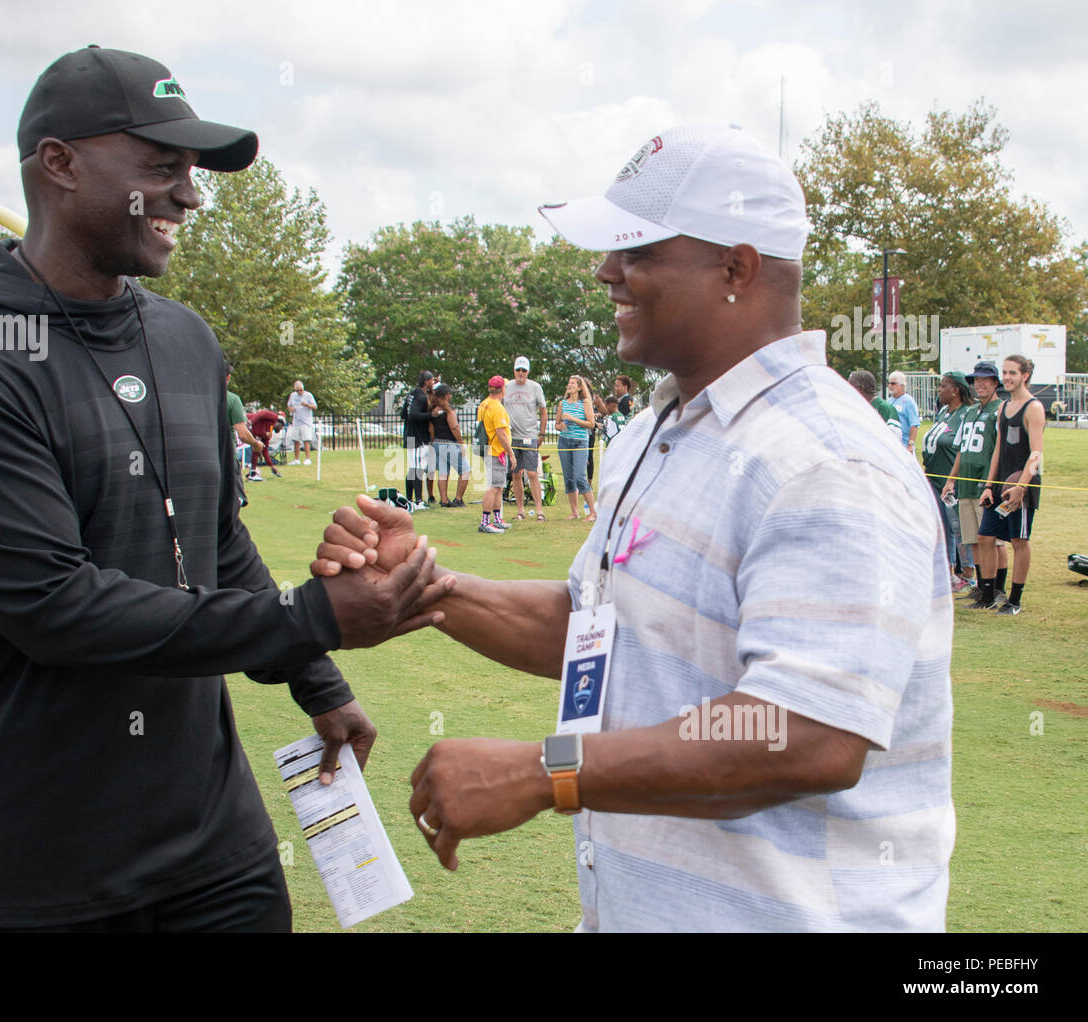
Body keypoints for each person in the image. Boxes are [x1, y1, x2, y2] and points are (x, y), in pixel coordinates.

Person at [313, 123, 952, 931]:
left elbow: (807, 732)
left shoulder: (824, 461)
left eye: (639, 250)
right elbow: (600, 628)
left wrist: (547, 772)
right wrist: (425, 587)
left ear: (737, 266)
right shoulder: (659, 430)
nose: (606, 271)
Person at [0, 45, 448, 934]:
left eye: (192, 168)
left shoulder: (184, 338)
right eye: (161, 164)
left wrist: (316, 680)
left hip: (208, 850)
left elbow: (214, 540)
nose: (190, 191)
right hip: (11, 863)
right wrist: (314, 617)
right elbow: (52, 608)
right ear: (59, 164)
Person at [976, 354, 1044, 616]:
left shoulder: (1034, 407)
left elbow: (1036, 454)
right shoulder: (1003, 408)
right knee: (985, 537)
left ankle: (1014, 601)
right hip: (999, 483)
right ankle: (988, 595)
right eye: (1004, 373)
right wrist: (988, 485)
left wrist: (1021, 487)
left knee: (1019, 540)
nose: (1006, 378)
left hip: (1020, 485)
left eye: (1012, 373)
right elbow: (997, 450)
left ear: (1025, 375)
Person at [942, 361, 1009, 609]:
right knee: (973, 539)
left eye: (985, 379)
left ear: (995, 383)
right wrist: (951, 479)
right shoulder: (970, 412)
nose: (979, 383)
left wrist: (992, 482)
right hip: (967, 483)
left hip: (987, 483)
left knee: (994, 540)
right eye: (976, 380)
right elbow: (961, 449)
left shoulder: (1000, 410)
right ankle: (983, 587)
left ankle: (997, 588)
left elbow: (1000, 449)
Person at [920, 371, 974, 592]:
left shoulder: (965, 414)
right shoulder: (943, 412)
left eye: (943, 386)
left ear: (956, 390)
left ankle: (966, 573)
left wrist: (951, 478)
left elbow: (962, 447)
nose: (939, 390)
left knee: (955, 527)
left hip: (951, 480)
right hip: (933, 477)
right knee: (940, 526)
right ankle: (947, 570)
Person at [504, 356, 548, 522]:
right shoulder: (507, 387)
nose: (521, 373)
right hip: (512, 437)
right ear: (514, 370)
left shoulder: (535, 387)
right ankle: (520, 510)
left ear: (528, 371)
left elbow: (543, 410)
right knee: (516, 474)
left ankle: (539, 511)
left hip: (529, 435)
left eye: (524, 370)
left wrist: (541, 433)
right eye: (518, 370)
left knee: (532, 473)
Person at [476, 375, 516, 533]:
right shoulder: (497, 407)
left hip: (489, 449)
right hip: (496, 451)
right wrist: (511, 453)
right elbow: (501, 433)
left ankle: (497, 519)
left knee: (499, 486)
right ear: (502, 389)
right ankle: (485, 521)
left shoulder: (484, 404)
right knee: (493, 487)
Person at [555, 375, 595, 521]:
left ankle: (592, 512)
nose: (570, 385)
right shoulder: (563, 404)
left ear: (579, 387)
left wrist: (573, 419)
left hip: (580, 442)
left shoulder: (585, 402)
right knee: (569, 478)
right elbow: (556, 424)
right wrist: (561, 426)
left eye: (573, 383)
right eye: (569, 382)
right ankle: (574, 512)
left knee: (580, 476)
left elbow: (591, 424)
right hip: (564, 442)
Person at [402, 370, 439, 509]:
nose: (433, 383)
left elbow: (403, 414)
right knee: (417, 467)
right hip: (418, 437)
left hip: (410, 434)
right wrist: (431, 415)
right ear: (426, 381)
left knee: (413, 467)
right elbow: (413, 415)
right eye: (431, 380)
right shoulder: (421, 397)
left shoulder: (411, 394)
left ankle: (409, 499)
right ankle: (418, 501)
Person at [429, 383, 469, 507]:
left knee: (443, 472)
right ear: (447, 395)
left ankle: (444, 500)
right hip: (449, 443)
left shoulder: (433, 411)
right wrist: (461, 443)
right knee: (466, 471)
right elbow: (454, 427)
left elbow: (431, 429)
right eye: (450, 394)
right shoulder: (449, 411)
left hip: (437, 443)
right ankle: (458, 499)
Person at [848, 369, 902, 434]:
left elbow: (895, 436)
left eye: (850, 387)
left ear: (860, 389)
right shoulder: (860, 407)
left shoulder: (884, 407)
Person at [888, 371, 920, 452]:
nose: (890, 386)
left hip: (904, 445)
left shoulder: (909, 402)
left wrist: (910, 445)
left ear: (902, 385)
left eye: (893, 383)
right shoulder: (889, 401)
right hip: (891, 446)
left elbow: (914, 425)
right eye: (889, 383)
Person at [286, 380, 317, 464]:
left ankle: (307, 458)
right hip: (296, 421)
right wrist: (291, 409)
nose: (299, 392)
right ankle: (296, 459)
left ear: (303, 389)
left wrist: (306, 405)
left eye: (301, 390)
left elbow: (315, 407)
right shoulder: (292, 395)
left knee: (306, 440)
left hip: (306, 421)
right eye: (297, 390)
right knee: (296, 440)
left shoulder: (308, 395)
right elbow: (289, 405)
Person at [246, 407, 283, 478]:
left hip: (248, 432)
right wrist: (251, 421)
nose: (280, 428)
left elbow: (264, 451)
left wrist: (272, 466)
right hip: (245, 421)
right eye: (281, 425)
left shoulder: (268, 434)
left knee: (256, 450)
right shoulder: (273, 417)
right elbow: (262, 413)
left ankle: (253, 472)